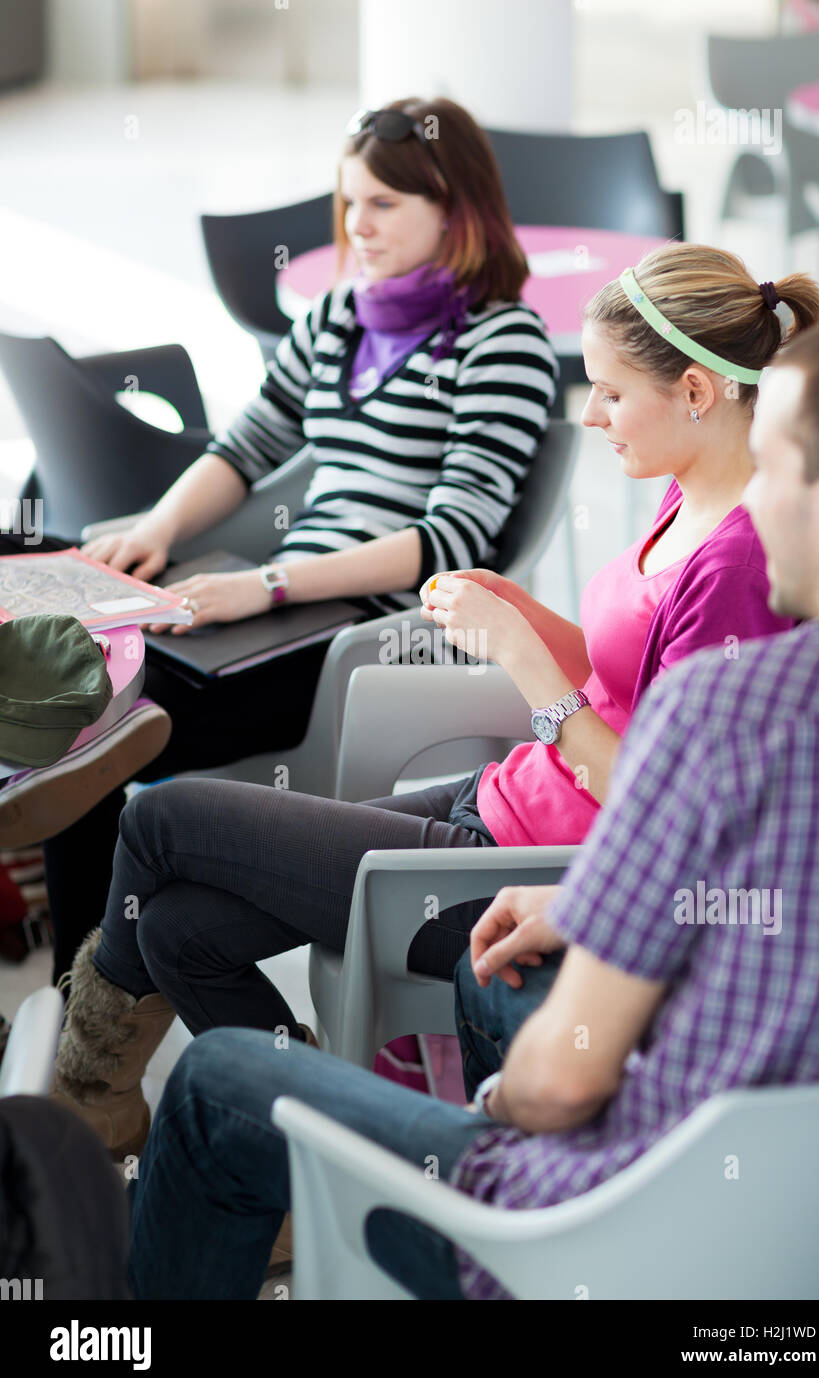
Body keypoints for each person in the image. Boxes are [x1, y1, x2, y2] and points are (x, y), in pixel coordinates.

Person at [126, 315, 819, 1300]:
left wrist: (494, 1100)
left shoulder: (732, 707)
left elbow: (558, 1085)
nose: (751, 503)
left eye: (773, 467)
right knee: (182, 924)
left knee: (216, 1077)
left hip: (598, 1229)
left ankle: (108, 1109)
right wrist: (602, 903)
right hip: (798, 1250)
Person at [50, 242, 819, 1161]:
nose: (592, 414)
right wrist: (528, 619)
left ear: (697, 392)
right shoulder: (685, 493)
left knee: (163, 822)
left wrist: (521, 663)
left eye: (613, 392)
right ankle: (306, 1166)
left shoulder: (736, 563)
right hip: (500, 802)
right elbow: (628, 686)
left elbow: (659, 811)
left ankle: (85, 1094)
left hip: (526, 871)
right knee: (178, 931)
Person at [15, 95, 557, 985]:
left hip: (364, 629)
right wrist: (157, 532)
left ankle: (90, 996)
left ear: (455, 209)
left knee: (92, 729)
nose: (357, 225)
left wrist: (271, 584)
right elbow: (248, 445)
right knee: (72, 687)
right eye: (350, 202)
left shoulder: (502, 341)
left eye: (384, 203)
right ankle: (85, 973)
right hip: (272, 601)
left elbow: (451, 538)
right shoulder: (342, 315)